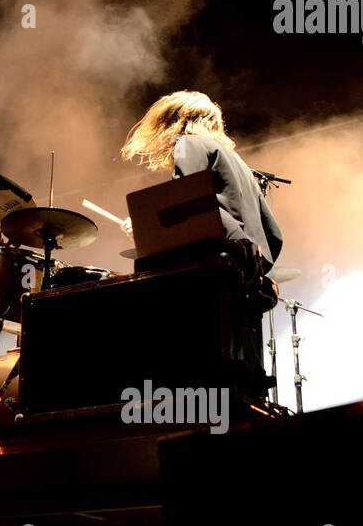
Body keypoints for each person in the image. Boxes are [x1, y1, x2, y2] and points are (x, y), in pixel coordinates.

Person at [120, 90, 283, 397]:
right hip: (247, 270)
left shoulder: (188, 143)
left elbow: (188, 198)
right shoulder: (240, 164)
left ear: (175, 121)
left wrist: (146, 226)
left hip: (213, 267)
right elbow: (273, 233)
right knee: (241, 381)